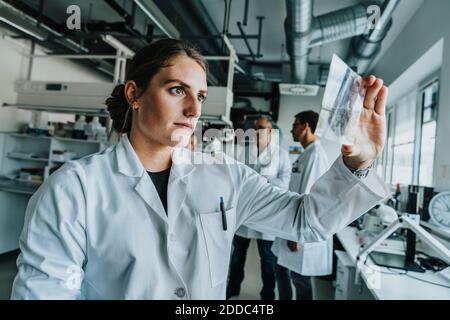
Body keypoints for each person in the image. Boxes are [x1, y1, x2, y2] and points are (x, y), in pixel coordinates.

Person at [11, 38, 390, 300]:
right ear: (134, 94)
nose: (194, 110)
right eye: (178, 90)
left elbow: (306, 220)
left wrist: (358, 161)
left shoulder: (226, 175)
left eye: (201, 96)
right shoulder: (74, 189)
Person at [227, 116, 291, 300]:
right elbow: (238, 182)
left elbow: (283, 185)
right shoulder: (245, 152)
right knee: (237, 257)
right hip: (245, 216)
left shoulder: (282, 155)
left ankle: (267, 296)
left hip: (268, 216)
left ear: (270, 131)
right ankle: (232, 289)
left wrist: (259, 180)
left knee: (268, 261)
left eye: (260, 128)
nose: (256, 131)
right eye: (255, 128)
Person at [271, 110, 331, 300]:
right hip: (292, 224)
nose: (291, 130)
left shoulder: (316, 156)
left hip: (301, 229)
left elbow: (310, 198)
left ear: (306, 126)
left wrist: (297, 235)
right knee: (282, 271)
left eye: (295, 125)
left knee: (299, 279)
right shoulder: (306, 154)